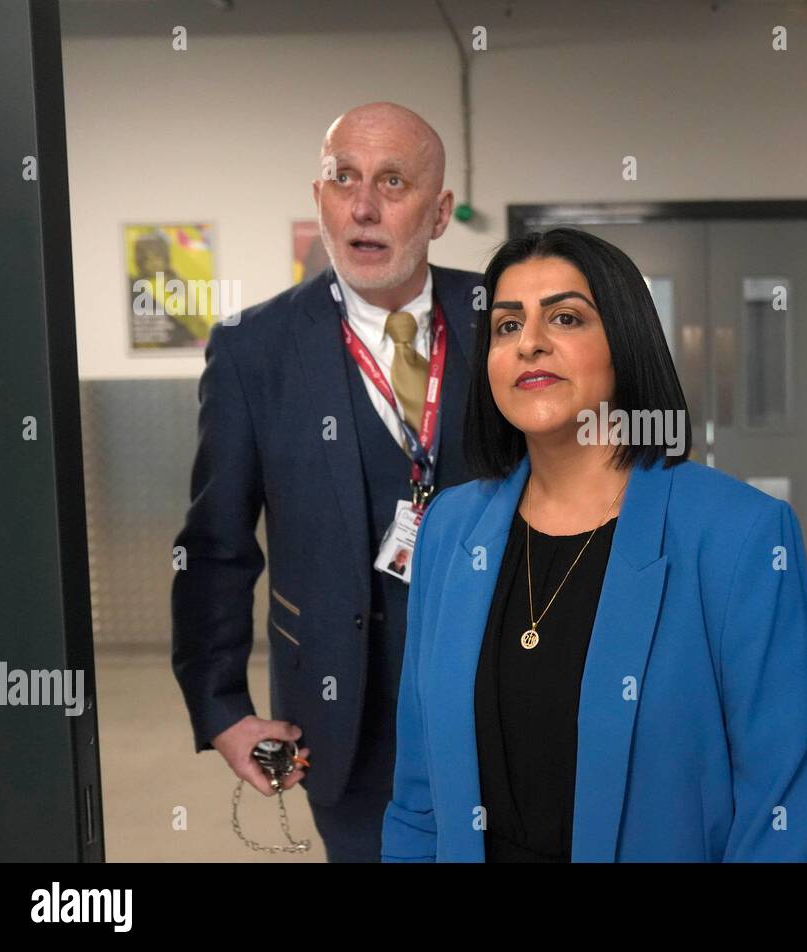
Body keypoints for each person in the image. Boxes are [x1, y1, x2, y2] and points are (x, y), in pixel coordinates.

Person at [381, 228, 807, 861]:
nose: (531, 343)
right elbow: (419, 794)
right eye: (507, 327)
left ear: (624, 344)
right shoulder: (450, 529)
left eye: (565, 318)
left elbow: (783, 815)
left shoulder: (740, 535)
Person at [172, 102, 482, 862]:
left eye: (393, 182)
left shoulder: (501, 319)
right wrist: (222, 708)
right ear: (320, 201)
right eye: (343, 179)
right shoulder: (255, 350)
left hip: (500, 701)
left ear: (439, 213)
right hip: (345, 723)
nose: (364, 205)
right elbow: (216, 543)